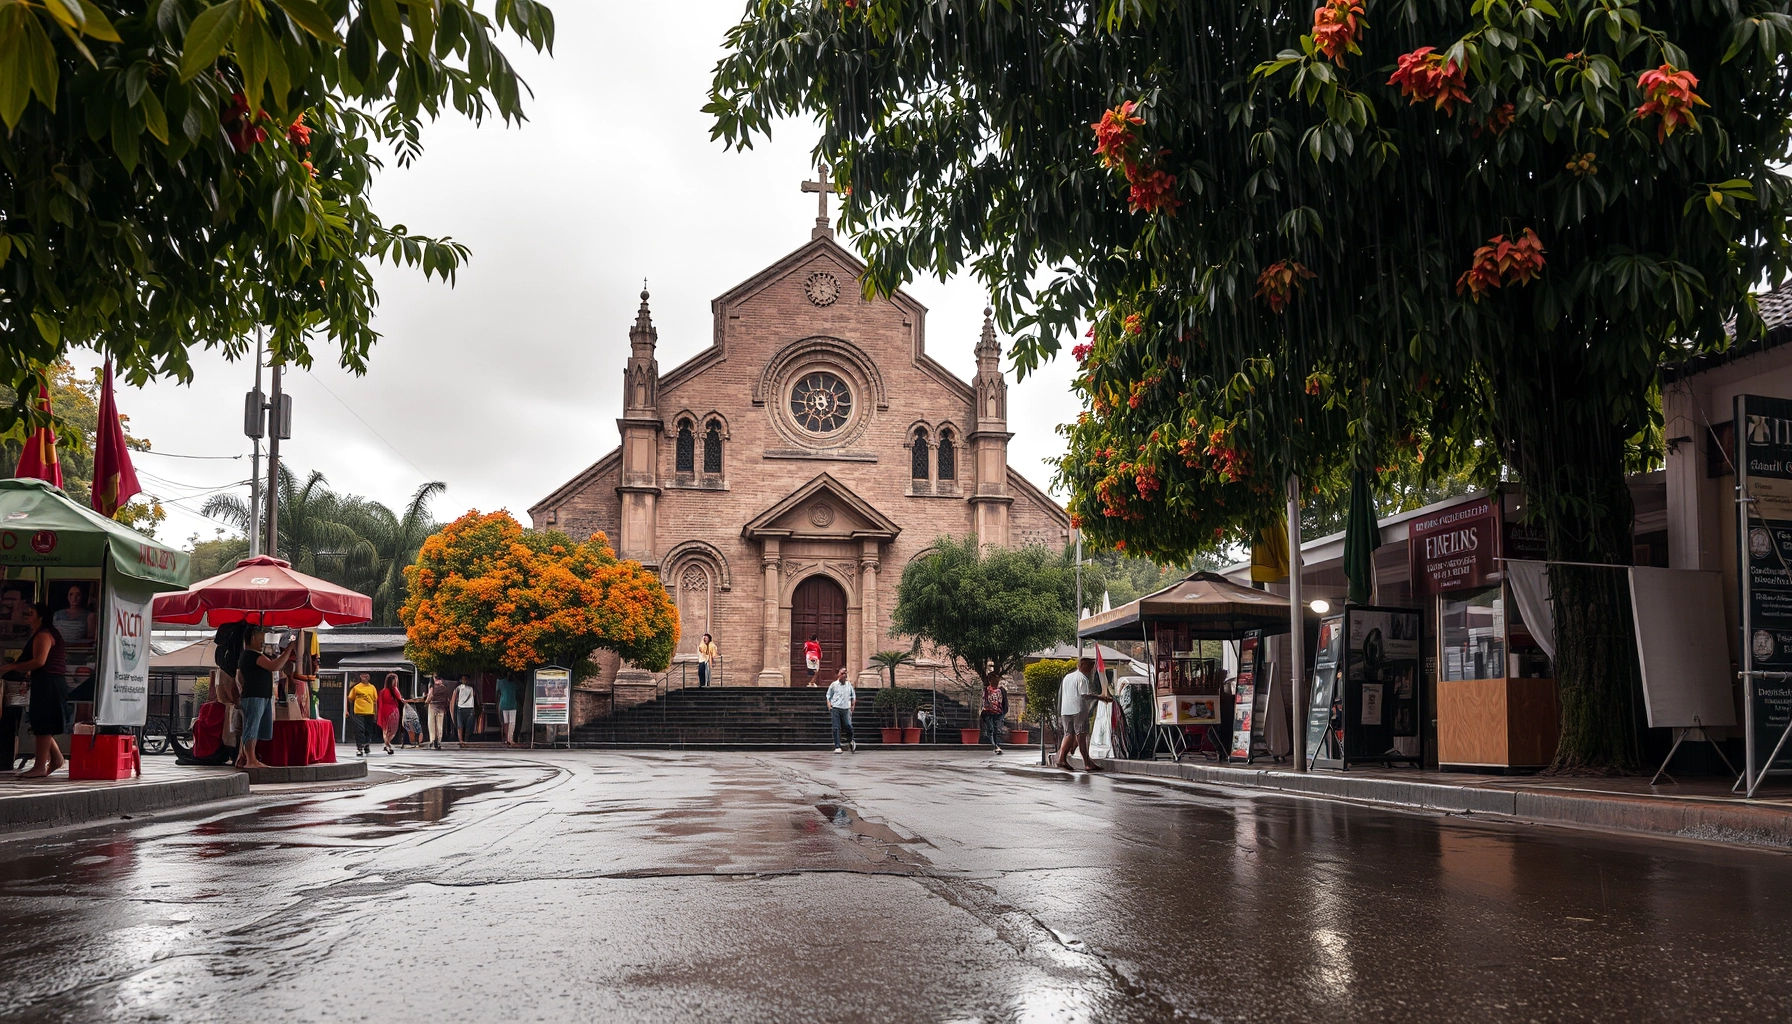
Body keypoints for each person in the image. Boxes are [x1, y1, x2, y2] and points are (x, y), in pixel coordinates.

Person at [0, 603, 68, 777]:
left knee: (43, 723)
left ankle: (39, 766)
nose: (28, 617)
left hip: (49, 681)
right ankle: (56, 758)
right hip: (45, 681)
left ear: (40, 617)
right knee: (41, 722)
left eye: (31, 613)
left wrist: (12, 667)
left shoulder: (44, 635)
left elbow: (39, 661)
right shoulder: (41, 634)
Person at [238, 628, 297, 770]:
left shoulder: (253, 655)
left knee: (255, 728)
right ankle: (251, 760)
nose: (262, 642)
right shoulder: (250, 655)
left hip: (261, 695)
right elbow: (274, 666)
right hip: (254, 695)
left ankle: (246, 757)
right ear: (252, 638)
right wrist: (288, 650)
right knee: (251, 727)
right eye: (260, 638)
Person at [1055, 657, 1112, 772]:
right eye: (1090, 667)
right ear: (1082, 666)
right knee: (1081, 735)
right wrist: (1101, 697)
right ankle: (1087, 763)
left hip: (1066, 710)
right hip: (1078, 709)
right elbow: (1084, 695)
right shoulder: (1082, 678)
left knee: (1068, 734)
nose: (1091, 670)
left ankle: (1062, 758)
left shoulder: (1068, 677)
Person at [347, 673, 380, 757]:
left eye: (366, 675)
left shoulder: (372, 688)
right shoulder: (356, 687)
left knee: (368, 730)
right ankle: (359, 747)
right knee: (359, 730)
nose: (365, 677)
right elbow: (350, 698)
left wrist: (376, 713)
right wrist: (347, 710)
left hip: (370, 712)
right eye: (363, 675)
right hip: (358, 712)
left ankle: (367, 745)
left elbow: (375, 701)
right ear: (360, 677)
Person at [824, 667, 856, 753]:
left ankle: (850, 741)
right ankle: (837, 746)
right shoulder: (834, 685)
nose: (844, 675)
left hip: (846, 708)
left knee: (848, 725)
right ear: (838, 675)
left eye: (845, 674)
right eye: (842, 674)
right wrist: (829, 705)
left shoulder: (849, 685)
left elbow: (853, 695)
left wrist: (853, 705)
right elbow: (828, 696)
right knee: (836, 727)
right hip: (836, 708)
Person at [979, 679, 1009, 754]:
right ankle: (994, 745)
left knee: (997, 729)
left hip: (998, 712)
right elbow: (984, 701)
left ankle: (996, 745)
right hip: (988, 712)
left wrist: (1003, 711)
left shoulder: (1001, 690)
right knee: (990, 728)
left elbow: (1004, 701)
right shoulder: (986, 690)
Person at [377, 674, 404, 755]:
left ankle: (387, 744)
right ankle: (388, 744)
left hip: (384, 711)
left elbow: (379, 703)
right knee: (392, 729)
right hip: (393, 711)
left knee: (385, 729)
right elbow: (400, 698)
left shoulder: (382, 691)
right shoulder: (394, 690)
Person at [425, 674, 453, 750]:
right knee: (439, 725)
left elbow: (429, 697)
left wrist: (426, 702)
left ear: (434, 678)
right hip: (441, 708)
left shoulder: (432, 687)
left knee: (432, 725)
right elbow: (447, 699)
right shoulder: (444, 688)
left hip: (433, 707)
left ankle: (433, 741)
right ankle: (438, 742)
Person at [453, 674, 478, 748]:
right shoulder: (458, 688)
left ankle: (465, 740)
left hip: (469, 707)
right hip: (461, 708)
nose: (464, 680)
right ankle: (461, 741)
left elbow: (474, 696)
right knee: (460, 725)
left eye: (465, 679)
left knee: (468, 726)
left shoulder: (470, 688)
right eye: (463, 679)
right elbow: (455, 697)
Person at [497, 675, 522, 747]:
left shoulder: (501, 682)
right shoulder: (514, 683)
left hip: (504, 704)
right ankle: (510, 739)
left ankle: (506, 739)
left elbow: (498, 690)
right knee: (512, 723)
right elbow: (521, 686)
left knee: (506, 723)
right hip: (512, 705)